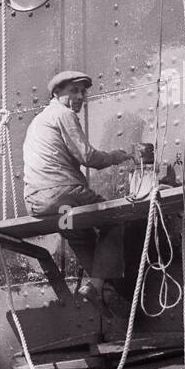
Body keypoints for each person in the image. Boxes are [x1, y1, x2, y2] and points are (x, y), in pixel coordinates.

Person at [22, 71, 134, 302]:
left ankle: (103, 291)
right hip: (63, 193)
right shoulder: (63, 114)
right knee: (116, 218)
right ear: (56, 93)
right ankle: (98, 284)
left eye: (83, 91)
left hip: (39, 203)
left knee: (77, 232)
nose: (81, 96)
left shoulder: (38, 121)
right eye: (74, 90)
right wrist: (117, 156)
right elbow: (88, 157)